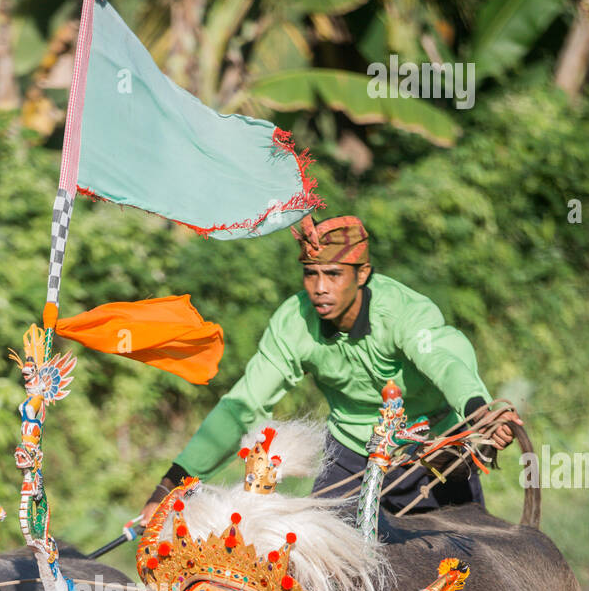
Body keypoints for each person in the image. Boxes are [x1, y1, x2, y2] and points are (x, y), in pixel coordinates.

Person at [140, 214, 521, 521]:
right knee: (319, 580)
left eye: (334, 274)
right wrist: (172, 483)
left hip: (433, 449)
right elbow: (242, 405)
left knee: (467, 578)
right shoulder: (294, 323)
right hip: (351, 456)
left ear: (362, 273)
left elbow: (445, 359)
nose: (320, 287)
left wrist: (477, 411)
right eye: (311, 273)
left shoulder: (404, 311)